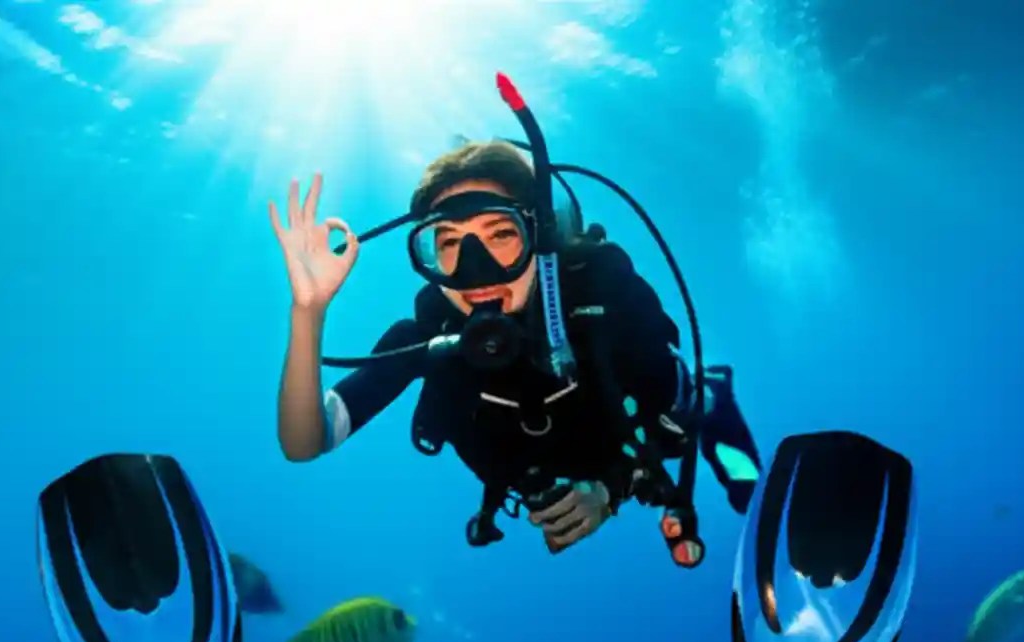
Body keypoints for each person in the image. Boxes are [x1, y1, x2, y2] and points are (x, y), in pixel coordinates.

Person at [271, 140, 762, 564]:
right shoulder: (426, 337)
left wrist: (610, 490)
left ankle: (716, 391)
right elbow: (303, 443)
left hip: (641, 432)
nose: (474, 269)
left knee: (698, 423)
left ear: (539, 236)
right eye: (447, 244)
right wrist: (307, 313)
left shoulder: (602, 304)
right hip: (540, 463)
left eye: (500, 235)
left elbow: (659, 426)